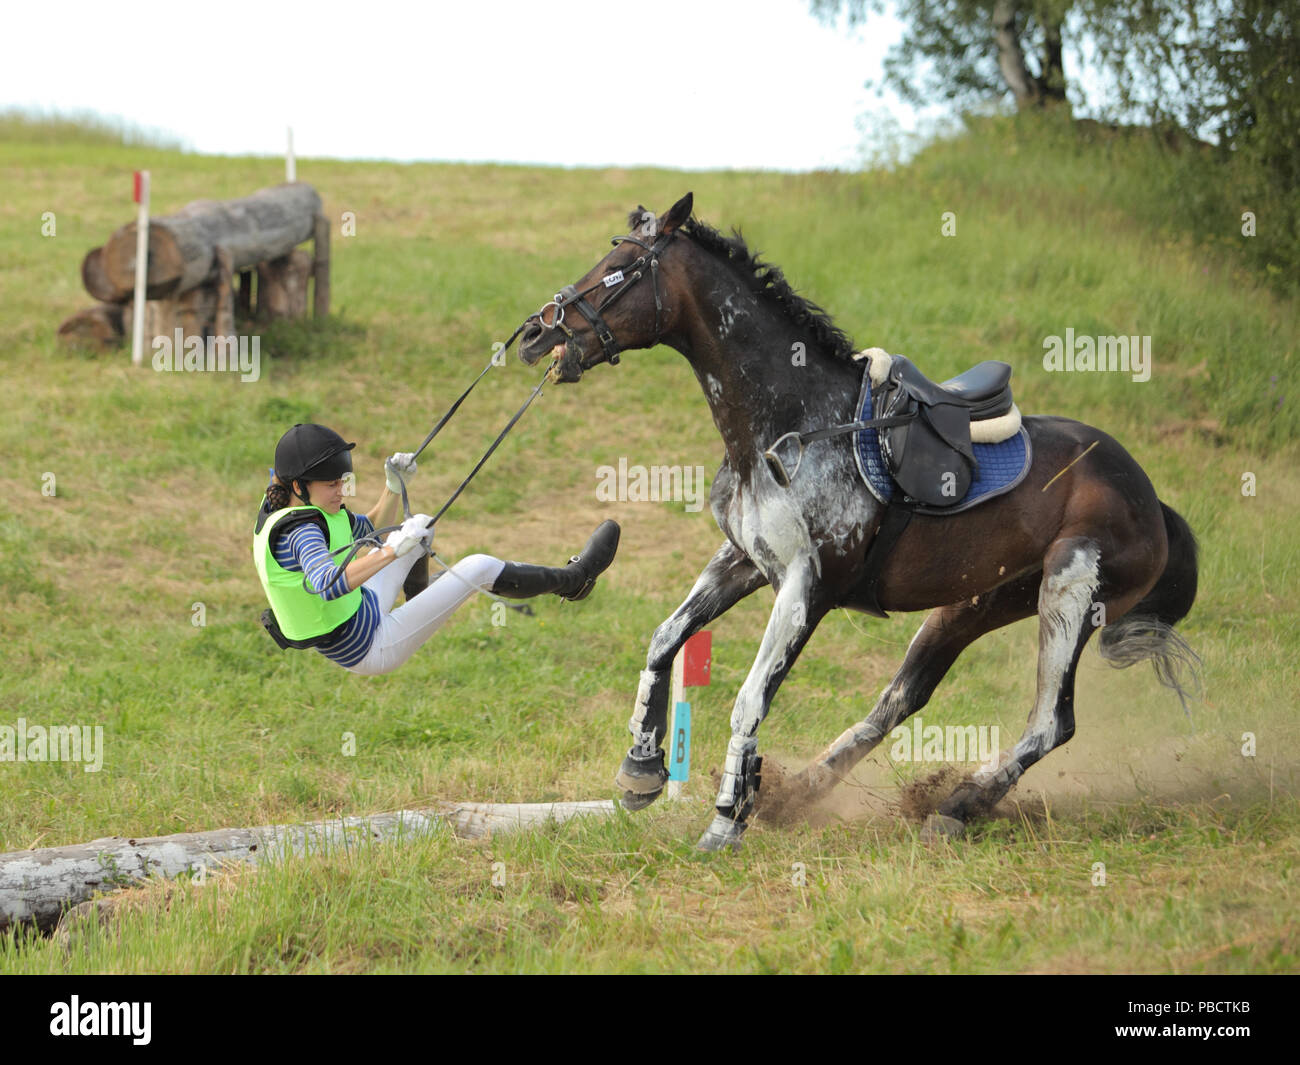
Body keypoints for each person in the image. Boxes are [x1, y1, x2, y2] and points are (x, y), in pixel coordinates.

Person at [253, 423, 619, 675]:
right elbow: (329, 584)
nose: (341, 491)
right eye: (332, 484)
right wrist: (395, 552)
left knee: (421, 525)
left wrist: (392, 486)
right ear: (300, 486)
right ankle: (576, 580)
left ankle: (421, 606)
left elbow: (375, 531)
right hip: (370, 648)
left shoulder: (303, 504)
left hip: (364, 607)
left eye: (342, 482)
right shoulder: (299, 533)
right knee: (478, 566)